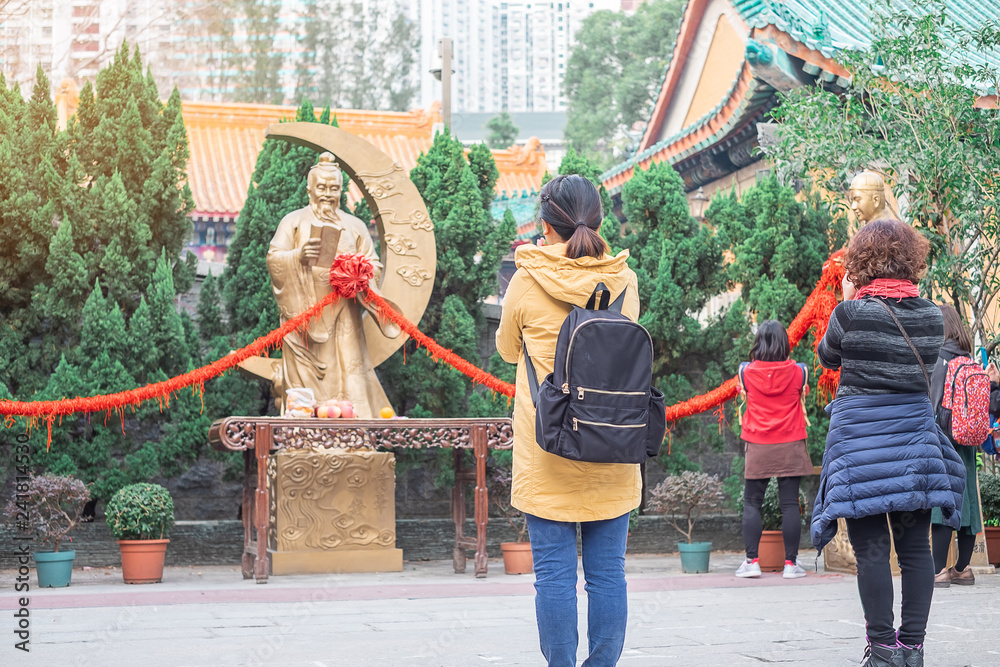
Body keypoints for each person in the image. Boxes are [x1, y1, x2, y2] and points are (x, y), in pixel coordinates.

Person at [496, 174, 641, 667]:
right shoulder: (624, 279)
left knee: (554, 576)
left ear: (545, 223)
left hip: (548, 445)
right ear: (599, 219)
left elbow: (506, 347)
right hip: (613, 442)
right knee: (608, 576)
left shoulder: (527, 277)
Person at [811, 218, 964, 667]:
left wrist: (846, 301)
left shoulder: (850, 313)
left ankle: (881, 649)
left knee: (871, 549)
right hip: (913, 442)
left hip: (859, 442)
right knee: (915, 549)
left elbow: (827, 356)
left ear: (862, 259)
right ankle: (912, 648)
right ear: (910, 259)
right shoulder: (931, 315)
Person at [265, 152, 400, 417]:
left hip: (345, 316)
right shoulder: (293, 222)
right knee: (305, 385)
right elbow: (274, 259)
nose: (327, 194)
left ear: (342, 191)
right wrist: (298, 257)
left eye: (334, 188)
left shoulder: (355, 226)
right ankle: (303, 440)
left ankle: (355, 435)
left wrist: (358, 274)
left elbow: (375, 265)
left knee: (350, 373)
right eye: (321, 188)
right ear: (309, 190)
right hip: (304, 317)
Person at [734, 320, 813, 579]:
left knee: (752, 502)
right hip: (790, 444)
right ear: (784, 343)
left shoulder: (745, 372)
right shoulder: (800, 372)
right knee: (790, 503)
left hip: (758, 444)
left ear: (758, 343)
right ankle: (791, 564)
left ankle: (751, 561)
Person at [930, 305, 985, 588]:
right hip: (968, 442)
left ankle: (938, 569)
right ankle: (963, 568)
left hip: (942, 441)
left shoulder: (940, 360)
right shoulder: (968, 359)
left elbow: (933, 403)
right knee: (968, 504)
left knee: (943, 501)